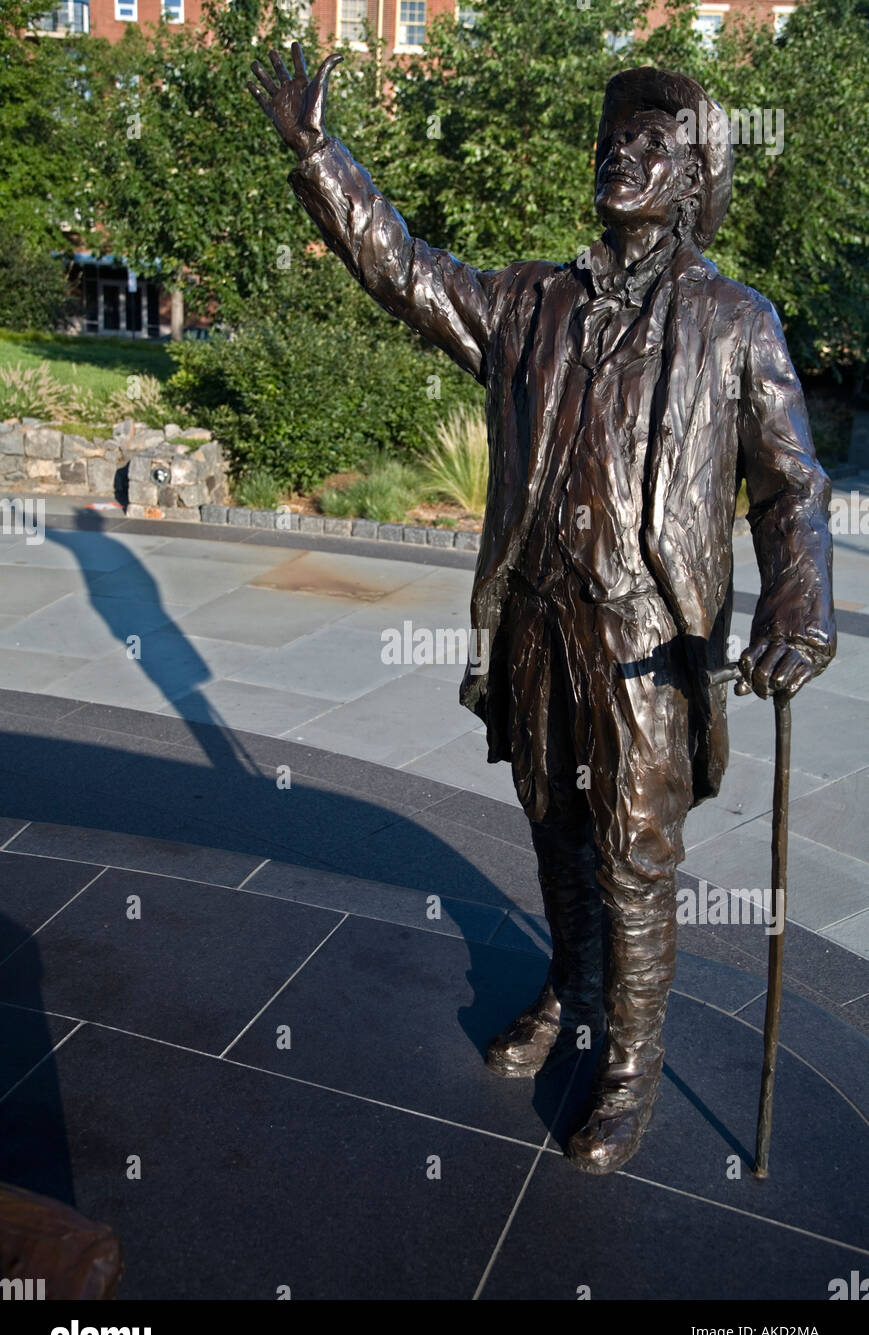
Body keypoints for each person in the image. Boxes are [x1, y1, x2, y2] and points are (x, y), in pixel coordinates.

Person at [247, 48, 835, 1174]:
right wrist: (318, 153)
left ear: (693, 179)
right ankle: (569, 989)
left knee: (632, 847)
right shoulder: (530, 301)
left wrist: (793, 614)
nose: (624, 152)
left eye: (654, 144)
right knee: (553, 831)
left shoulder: (732, 322)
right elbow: (405, 272)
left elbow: (789, 488)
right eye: (615, 138)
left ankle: (629, 1063)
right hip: (536, 623)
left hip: (644, 644)